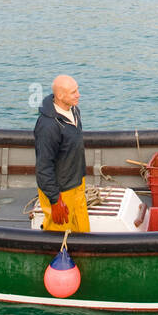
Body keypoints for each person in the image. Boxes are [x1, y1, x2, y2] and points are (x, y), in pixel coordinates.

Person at [34, 75, 90, 232]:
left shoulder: (75, 111)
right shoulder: (48, 126)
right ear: (60, 96)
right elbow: (43, 167)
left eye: (77, 90)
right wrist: (55, 200)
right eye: (73, 92)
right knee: (59, 237)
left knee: (83, 231)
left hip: (77, 184)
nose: (78, 94)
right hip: (61, 192)